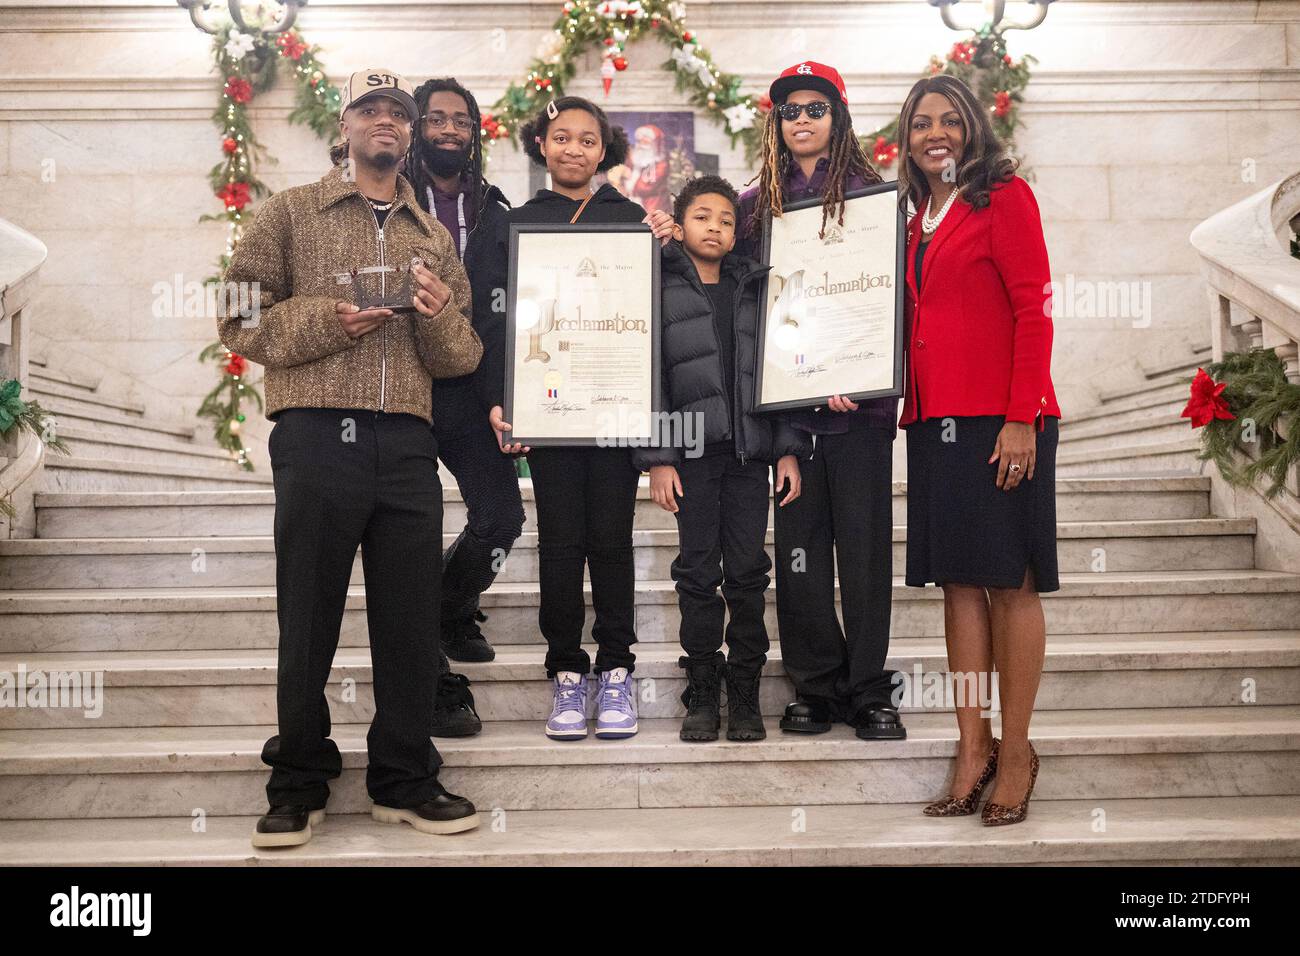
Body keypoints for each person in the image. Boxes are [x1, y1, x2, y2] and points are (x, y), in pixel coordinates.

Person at [221, 68, 483, 847]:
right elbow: (237, 316)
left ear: (408, 135)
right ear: (344, 128)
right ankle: (297, 781)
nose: (386, 123)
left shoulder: (431, 236)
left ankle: (403, 778)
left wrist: (436, 320)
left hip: (405, 439)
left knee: (409, 620)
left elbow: (463, 355)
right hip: (313, 433)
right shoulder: (290, 212)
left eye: (397, 114)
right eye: (370, 110)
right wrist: (327, 320)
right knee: (309, 616)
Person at [472, 96, 674, 740]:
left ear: (603, 151)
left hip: (614, 409)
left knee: (611, 541)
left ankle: (616, 671)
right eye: (562, 137)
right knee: (559, 543)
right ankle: (565, 671)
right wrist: (500, 397)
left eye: (588, 140)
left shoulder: (633, 220)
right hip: (549, 408)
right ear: (541, 145)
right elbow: (496, 319)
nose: (574, 149)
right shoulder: (516, 223)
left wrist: (667, 244)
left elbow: (655, 317)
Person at [898, 74, 1060, 826]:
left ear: (973, 128)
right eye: (922, 122)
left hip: (1002, 421)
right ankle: (973, 746)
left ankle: (1019, 750)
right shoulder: (912, 219)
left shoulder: (1005, 199)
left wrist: (1021, 416)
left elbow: (1034, 310)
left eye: (950, 120)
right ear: (907, 139)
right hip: (933, 424)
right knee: (958, 588)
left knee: (1010, 584)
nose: (937, 133)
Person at [738, 62, 905, 741]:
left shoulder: (874, 197)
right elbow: (746, 314)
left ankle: (868, 688)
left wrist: (861, 368)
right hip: (791, 421)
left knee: (864, 556)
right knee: (801, 556)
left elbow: (892, 300)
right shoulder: (755, 206)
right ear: (776, 123)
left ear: (838, 116)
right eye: (789, 110)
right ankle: (814, 686)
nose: (801, 119)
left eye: (815, 107)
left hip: (859, 413)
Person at [635, 175, 809, 742]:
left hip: (747, 459)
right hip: (691, 455)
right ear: (679, 224)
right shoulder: (659, 284)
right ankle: (703, 692)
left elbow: (782, 371)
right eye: (703, 216)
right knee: (697, 573)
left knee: (748, 573)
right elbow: (651, 375)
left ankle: (745, 693)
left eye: (727, 220)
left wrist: (786, 450)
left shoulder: (756, 288)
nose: (716, 227)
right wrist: (660, 457)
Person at [406, 77, 525, 739]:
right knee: (411, 537)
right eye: (437, 118)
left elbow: (507, 311)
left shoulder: (494, 208)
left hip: (469, 388)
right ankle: (430, 676)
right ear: (416, 126)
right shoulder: (389, 201)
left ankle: (453, 606)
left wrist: (503, 396)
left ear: (475, 133)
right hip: (398, 391)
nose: (449, 130)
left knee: (502, 517)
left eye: (461, 121)